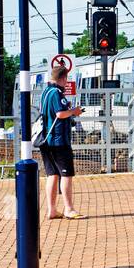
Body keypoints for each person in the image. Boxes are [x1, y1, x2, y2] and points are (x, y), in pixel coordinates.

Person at [41, 64, 85, 219]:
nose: (67, 82)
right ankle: (69, 209)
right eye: (66, 79)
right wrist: (74, 111)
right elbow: (60, 114)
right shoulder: (57, 93)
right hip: (59, 140)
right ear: (63, 78)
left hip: (46, 140)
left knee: (52, 175)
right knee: (66, 175)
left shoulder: (45, 92)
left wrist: (70, 112)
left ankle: (51, 210)